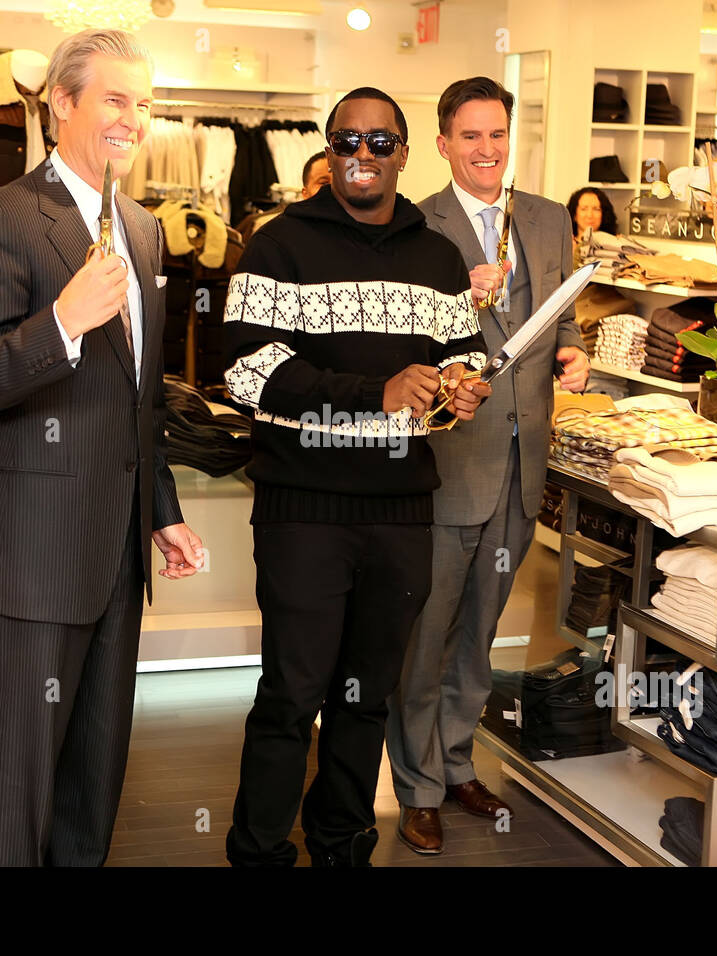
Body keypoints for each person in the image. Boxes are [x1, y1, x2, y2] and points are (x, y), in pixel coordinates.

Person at [0, 28, 205, 867]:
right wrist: (61, 321)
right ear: (63, 104)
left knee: (92, 790)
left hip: (118, 552)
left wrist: (160, 512)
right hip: (36, 554)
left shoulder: (144, 229)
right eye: (116, 101)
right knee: (14, 788)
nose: (136, 120)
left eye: (146, 103)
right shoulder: (2, 217)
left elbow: (142, 400)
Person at [222, 86, 491, 867]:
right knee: (292, 695)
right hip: (303, 507)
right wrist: (370, 394)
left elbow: (460, 358)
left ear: (405, 151)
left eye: (379, 142)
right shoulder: (278, 245)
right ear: (327, 150)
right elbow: (245, 373)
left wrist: (459, 387)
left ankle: (343, 842)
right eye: (346, 142)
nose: (362, 156)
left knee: (364, 696)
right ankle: (260, 850)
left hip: (402, 507)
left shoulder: (437, 255)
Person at [386, 75, 590, 856]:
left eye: (497, 134)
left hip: (523, 456)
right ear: (442, 144)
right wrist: (456, 314)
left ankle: (459, 758)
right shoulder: (415, 228)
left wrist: (572, 350)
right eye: (469, 136)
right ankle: (418, 785)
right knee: (427, 632)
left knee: (482, 629)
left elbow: (560, 315)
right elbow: (399, 344)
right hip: (449, 461)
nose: (486, 149)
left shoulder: (546, 218)